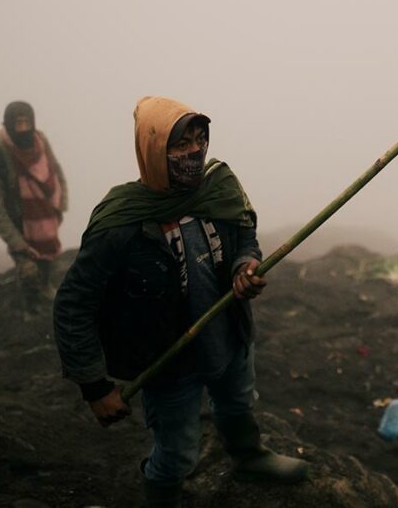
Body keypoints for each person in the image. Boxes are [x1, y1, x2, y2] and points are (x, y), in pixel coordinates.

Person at [53, 96, 308, 507]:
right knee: (177, 453)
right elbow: (73, 305)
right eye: (179, 144)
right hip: (168, 361)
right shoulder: (121, 222)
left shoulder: (217, 188)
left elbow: (245, 235)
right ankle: (162, 494)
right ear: (152, 152)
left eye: (198, 139)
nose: (194, 151)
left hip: (229, 336)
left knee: (238, 402)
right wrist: (95, 386)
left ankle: (248, 455)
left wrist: (246, 266)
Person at [0, 101, 67, 311]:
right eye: (18, 122)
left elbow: (55, 169)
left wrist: (60, 205)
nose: (23, 128)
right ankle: (30, 311)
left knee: (48, 260)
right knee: (28, 270)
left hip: (45, 216)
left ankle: (46, 290)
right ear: (8, 123)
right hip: (18, 222)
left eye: (27, 122)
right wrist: (17, 242)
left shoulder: (40, 140)